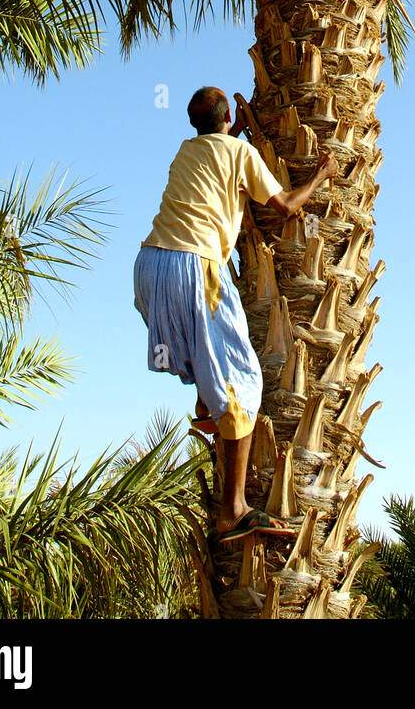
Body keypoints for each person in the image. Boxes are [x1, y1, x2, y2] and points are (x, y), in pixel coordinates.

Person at [133, 85, 340, 543]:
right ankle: (233, 510)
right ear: (228, 118)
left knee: (204, 355)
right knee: (245, 382)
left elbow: (219, 152)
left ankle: (206, 406)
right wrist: (320, 176)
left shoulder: (188, 151)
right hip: (196, 267)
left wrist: (235, 131)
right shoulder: (239, 153)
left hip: (150, 269)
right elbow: (284, 206)